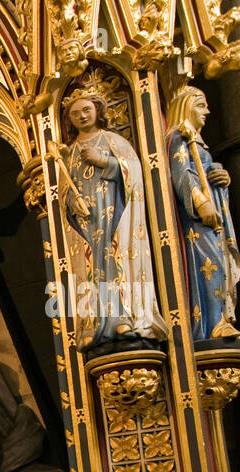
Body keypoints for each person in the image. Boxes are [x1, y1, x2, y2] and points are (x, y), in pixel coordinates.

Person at [58, 86, 165, 346]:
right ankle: (94, 323)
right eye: (75, 114)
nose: (82, 117)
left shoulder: (112, 141)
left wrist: (105, 161)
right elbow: (64, 189)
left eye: (86, 110)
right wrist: (73, 201)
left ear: (98, 111)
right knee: (92, 268)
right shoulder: (70, 152)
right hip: (87, 223)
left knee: (114, 261)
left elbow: (134, 172)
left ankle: (122, 317)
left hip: (115, 214)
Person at [166, 85, 240, 341]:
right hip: (197, 219)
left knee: (218, 264)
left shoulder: (197, 141)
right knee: (208, 266)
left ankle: (220, 319)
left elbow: (202, 173)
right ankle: (211, 325)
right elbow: (181, 174)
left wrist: (221, 179)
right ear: (185, 106)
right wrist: (201, 202)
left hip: (210, 218)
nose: (207, 111)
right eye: (200, 104)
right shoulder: (179, 135)